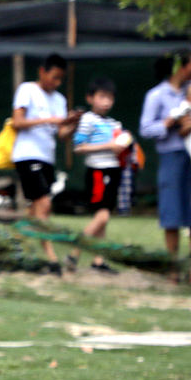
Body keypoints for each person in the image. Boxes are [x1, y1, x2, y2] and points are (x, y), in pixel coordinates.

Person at [10, 53, 79, 263]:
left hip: (47, 157)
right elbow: (17, 122)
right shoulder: (27, 90)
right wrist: (47, 119)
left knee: (35, 209)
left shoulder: (59, 99)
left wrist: (72, 124)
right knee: (44, 203)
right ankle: (50, 256)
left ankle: (14, 244)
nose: (57, 83)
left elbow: (61, 135)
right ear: (42, 72)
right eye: (54, 77)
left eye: (60, 79)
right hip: (27, 154)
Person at [66, 77, 130, 273]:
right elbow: (78, 147)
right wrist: (109, 146)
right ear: (90, 98)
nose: (106, 102)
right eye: (102, 97)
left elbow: (119, 147)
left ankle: (98, 261)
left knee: (103, 217)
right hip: (97, 172)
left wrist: (124, 144)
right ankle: (74, 252)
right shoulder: (87, 119)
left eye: (110, 98)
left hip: (113, 170)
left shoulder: (113, 123)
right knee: (102, 216)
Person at [138, 49, 191, 278]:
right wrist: (169, 123)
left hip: (190, 155)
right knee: (171, 213)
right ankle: (173, 267)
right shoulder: (156, 95)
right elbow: (146, 128)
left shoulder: (189, 92)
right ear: (181, 67)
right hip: (170, 157)